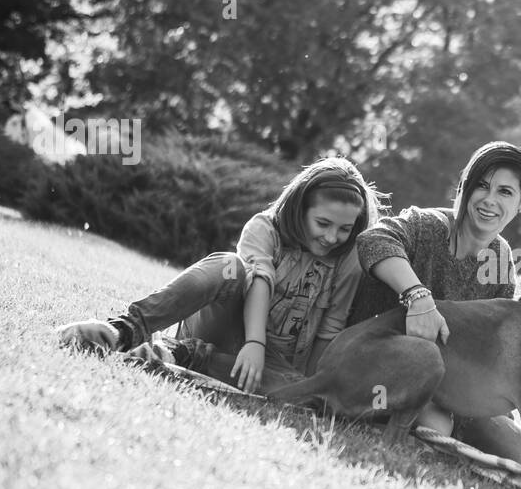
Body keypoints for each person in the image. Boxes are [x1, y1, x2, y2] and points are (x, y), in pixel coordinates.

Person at [55, 157, 381, 395]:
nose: (332, 237)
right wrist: (253, 341)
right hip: (222, 327)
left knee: (299, 390)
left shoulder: (347, 260)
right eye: (323, 223)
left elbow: (331, 327)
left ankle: (174, 355)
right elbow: (259, 280)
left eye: (344, 229)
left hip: (271, 362)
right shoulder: (265, 228)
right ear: (300, 209)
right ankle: (124, 331)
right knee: (230, 265)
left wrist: (308, 384)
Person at [350, 140, 521, 464]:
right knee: (438, 424)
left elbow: (488, 348)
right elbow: (373, 239)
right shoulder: (427, 226)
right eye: (481, 186)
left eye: (505, 192)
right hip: (372, 368)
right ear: (465, 184)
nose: (489, 201)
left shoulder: (500, 259)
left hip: (439, 385)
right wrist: (418, 297)